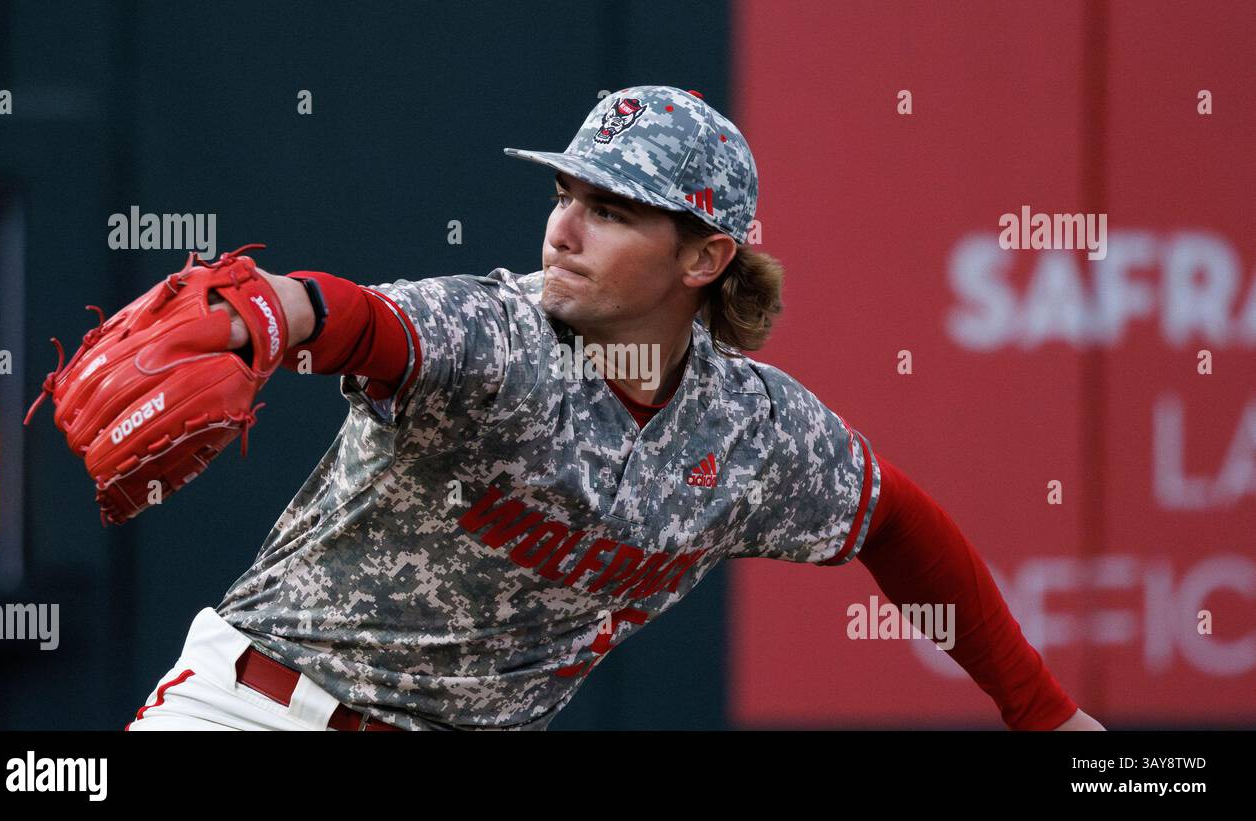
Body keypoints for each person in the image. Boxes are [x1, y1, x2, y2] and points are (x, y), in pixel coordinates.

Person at [125, 86, 1103, 732]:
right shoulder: (500, 332)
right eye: (564, 191)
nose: (562, 228)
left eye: (613, 208)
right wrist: (266, 314)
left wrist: (1045, 715)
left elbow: (893, 519)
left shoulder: (751, 435)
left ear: (705, 256)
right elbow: (360, 319)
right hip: (258, 709)